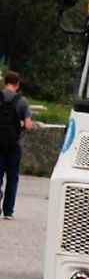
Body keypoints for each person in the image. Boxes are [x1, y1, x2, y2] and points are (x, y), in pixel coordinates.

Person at [0, 71, 34, 220]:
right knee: (12, 177)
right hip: (15, 144)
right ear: (17, 84)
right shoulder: (22, 101)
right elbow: (28, 125)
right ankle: (8, 211)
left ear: (5, 82)